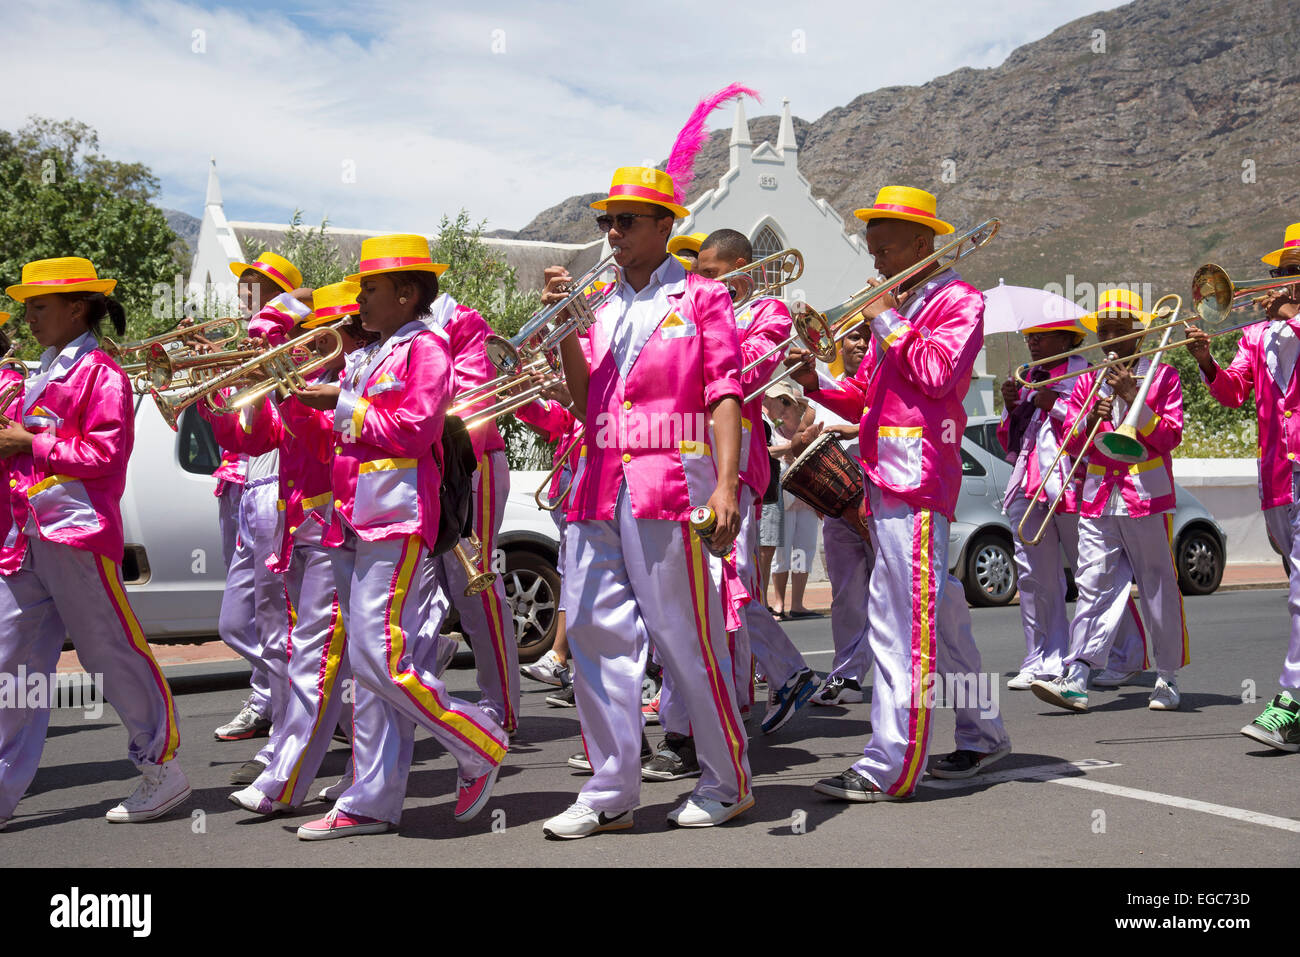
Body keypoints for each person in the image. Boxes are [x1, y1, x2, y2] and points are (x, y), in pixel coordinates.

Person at [540, 166, 752, 837]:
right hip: (598, 483)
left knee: (685, 640)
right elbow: (583, 402)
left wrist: (724, 484)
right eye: (607, 220)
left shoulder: (702, 298)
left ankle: (727, 779)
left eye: (627, 220)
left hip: (669, 485)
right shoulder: (600, 300)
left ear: (667, 226)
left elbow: (723, 393)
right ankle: (611, 791)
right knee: (598, 639)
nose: (613, 232)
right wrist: (568, 330)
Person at [788, 186, 1012, 797]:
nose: (876, 261)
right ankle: (984, 735)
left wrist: (886, 315)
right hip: (885, 478)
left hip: (917, 481)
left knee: (899, 625)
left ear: (923, 243)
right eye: (872, 248)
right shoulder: (904, 303)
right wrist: (815, 382)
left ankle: (892, 763)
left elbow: (938, 377)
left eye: (886, 249)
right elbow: (865, 397)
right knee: (944, 621)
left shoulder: (958, 300)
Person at [291, 235, 508, 839]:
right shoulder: (370, 355)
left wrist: (343, 410)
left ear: (406, 294)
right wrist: (299, 403)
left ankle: (479, 739)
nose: (358, 297)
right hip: (356, 517)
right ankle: (372, 800)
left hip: (399, 518)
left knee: (379, 657)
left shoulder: (427, 348)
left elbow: (414, 430)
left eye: (369, 287)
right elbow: (343, 439)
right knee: (369, 664)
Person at [0, 256, 189, 828]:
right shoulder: (46, 370)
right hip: (29, 535)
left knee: (109, 652)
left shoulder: (102, 372)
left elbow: (106, 455)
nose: (26, 317)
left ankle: (163, 770)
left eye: (38, 306)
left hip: (77, 534)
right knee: (10, 667)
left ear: (76, 308)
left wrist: (28, 444)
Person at [224, 282, 379, 815]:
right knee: (332, 659)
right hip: (298, 530)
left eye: (316, 338)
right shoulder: (308, 379)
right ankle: (359, 770)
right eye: (304, 339)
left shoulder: (357, 382)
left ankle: (283, 779)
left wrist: (276, 358)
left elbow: (322, 440)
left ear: (349, 336)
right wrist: (220, 396)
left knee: (316, 657)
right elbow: (251, 440)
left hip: (337, 526)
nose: (305, 348)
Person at [1031, 288, 1190, 713]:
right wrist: (1089, 420)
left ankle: (1167, 677)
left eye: (1120, 330)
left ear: (1138, 336)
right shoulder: (1087, 379)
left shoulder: (1163, 376)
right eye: (1104, 330)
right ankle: (1079, 673)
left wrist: (1128, 398)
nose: (1111, 338)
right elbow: (1072, 444)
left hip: (1146, 497)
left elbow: (1169, 437)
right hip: (1098, 496)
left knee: (1157, 587)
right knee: (1092, 584)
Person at [692, 229, 819, 738]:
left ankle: (786, 673)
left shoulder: (769, 313)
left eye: (714, 274)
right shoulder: (701, 309)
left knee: (730, 577)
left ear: (743, 267)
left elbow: (749, 370)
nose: (705, 283)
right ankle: (737, 697)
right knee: (714, 583)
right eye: (700, 275)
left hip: (739, 462)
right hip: (697, 454)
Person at [1188, 223, 1300, 749]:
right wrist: (1207, 362)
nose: (1280, 284)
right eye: (1280, 273)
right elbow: (1233, 393)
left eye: (1292, 274)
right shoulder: (1257, 336)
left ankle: (1291, 698)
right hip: (1277, 479)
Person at [998, 317, 1149, 690]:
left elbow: (1098, 425)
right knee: (1034, 578)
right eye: (1029, 336)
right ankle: (1043, 659)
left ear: (1068, 339)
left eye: (1041, 336)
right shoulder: (1028, 374)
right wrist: (1012, 405)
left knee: (1097, 577)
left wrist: (1054, 404)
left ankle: (1127, 653)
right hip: (1029, 484)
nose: (1032, 343)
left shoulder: (1088, 369)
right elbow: (1010, 438)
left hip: (1076, 483)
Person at [211, 251, 308, 747]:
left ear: (280, 294)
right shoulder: (249, 345)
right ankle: (290, 695)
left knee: (280, 620)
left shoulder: (300, 340)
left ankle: (295, 714)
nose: (243, 297)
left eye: (254, 288)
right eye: (243, 287)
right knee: (235, 622)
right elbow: (241, 430)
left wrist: (273, 324)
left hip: (282, 492)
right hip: (245, 486)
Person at [420, 288, 520, 735]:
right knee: (420, 589)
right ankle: (424, 668)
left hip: (468, 464)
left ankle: (501, 702)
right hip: (426, 466)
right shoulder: (398, 330)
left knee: (472, 589)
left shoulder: (462, 320)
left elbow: (476, 404)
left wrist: (449, 474)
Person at [791, 325, 876, 706]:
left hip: (885, 497)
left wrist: (855, 427)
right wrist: (801, 441)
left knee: (896, 590)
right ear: (840, 345)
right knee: (846, 594)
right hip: (840, 505)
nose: (860, 343)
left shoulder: (890, 379)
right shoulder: (828, 389)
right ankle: (848, 676)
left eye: (868, 336)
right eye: (854, 337)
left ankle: (916, 675)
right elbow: (799, 440)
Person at [764, 381, 818, 618]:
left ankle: (797, 603)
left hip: (806, 499)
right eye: (783, 402)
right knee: (781, 553)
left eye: (790, 404)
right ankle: (778, 602)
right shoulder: (772, 430)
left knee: (803, 551)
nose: (786, 409)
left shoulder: (808, 433)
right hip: (782, 498)